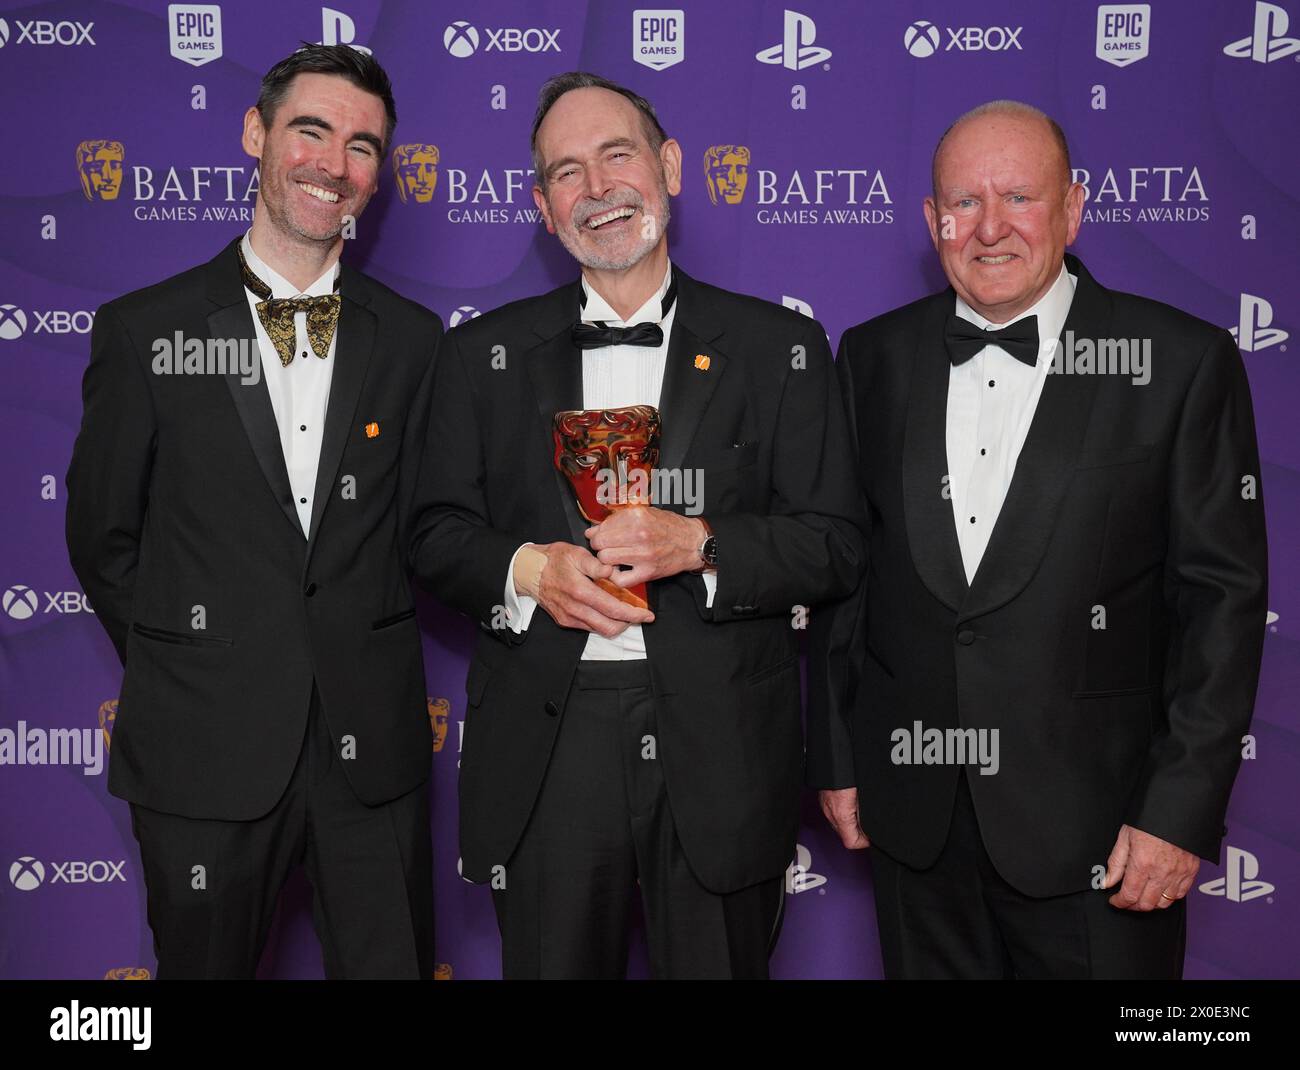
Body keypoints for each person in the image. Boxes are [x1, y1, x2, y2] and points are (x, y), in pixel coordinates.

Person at [412, 71, 864, 979]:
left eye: (618, 154)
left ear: (668, 167)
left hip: (725, 745)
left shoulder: (781, 351)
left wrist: (701, 545)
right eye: (568, 172)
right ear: (544, 208)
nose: (600, 187)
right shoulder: (478, 359)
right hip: (549, 745)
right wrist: (530, 571)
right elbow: (431, 532)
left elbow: (835, 543)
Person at [809, 99, 1267, 980]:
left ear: (1073, 207)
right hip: (919, 823)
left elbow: (1222, 606)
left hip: (1104, 835)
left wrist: (1177, 812)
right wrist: (838, 755)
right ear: (930, 219)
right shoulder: (873, 357)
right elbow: (848, 571)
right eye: (962, 202)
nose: (988, 228)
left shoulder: (1176, 361)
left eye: (1018, 196)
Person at [66, 44, 441, 979]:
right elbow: (103, 539)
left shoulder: (415, 342)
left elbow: (426, 530)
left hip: (374, 756)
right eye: (310, 130)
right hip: (203, 748)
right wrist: (198, 657)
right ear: (255, 135)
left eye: (363, 145)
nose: (335, 164)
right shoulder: (147, 329)